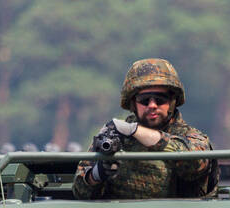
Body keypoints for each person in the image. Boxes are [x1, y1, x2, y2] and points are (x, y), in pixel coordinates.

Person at [72, 58, 217, 200]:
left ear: (172, 102)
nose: (152, 105)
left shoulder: (191, 137)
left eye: (160, 99)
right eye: (144, 100)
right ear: (133, 104)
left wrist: (134, 130)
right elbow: (79, 192)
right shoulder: (115, 137)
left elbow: (195, 164)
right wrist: (97, 175)